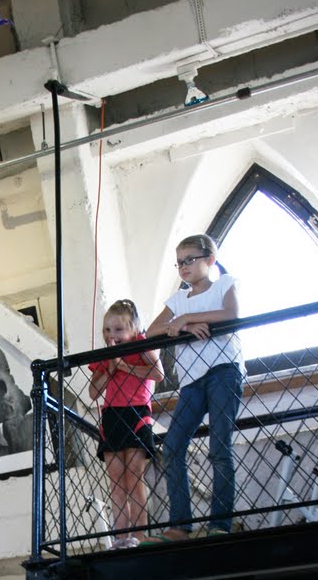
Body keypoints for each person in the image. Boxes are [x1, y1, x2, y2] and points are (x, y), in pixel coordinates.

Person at [143, 234, 243, 541]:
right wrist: (184, 324)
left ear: (209, 260)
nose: (183, 267)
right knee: (172, 447)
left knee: (219, 447)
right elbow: (151, 331)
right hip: (191, 381)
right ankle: (180, 525)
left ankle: (220, 524)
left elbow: (230, 315)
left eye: (190, 260)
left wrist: (188, 317)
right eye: (179, 262)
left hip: (224, 371)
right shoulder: (176, 300)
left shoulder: (225, 284)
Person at [88, 299, 163, 547]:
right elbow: (92, 392)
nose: (112, 335)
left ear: (133, 329)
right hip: (111, 415)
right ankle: (121, 537)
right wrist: (111, 368)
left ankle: (139, 535)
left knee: (134, 476)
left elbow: (157, 373)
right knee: (116, 480)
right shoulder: (107, 355)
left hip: (137, 411)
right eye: (107, 330)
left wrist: (124, 366)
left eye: (118, 330)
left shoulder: (141, 345)